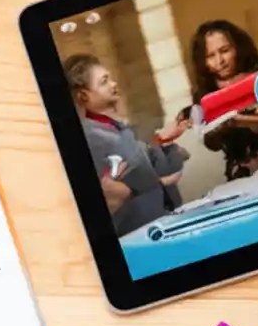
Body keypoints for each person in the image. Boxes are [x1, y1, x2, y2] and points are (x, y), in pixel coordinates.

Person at [63, 54, 189, 236]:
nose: (113, 84)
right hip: (138, 230)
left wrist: (163, 142)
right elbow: (149, 173)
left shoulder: (111, 127)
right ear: (84, 96)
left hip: (155, 222)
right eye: (104, 82)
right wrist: (170, 152)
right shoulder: (94, 137)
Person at [191, 20, 258, 181]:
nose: (220, 61)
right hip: (245, 173)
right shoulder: (205, 93)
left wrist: (247, 118)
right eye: (210, 56)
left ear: (238, 47)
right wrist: (220, 125)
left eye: (225, 50)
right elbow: (211, 143)